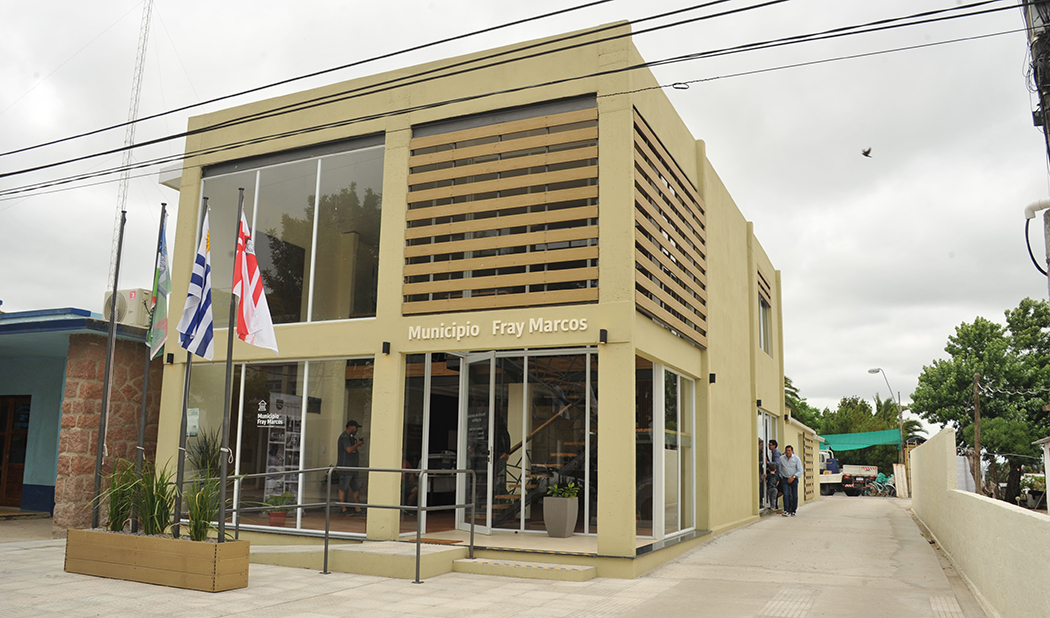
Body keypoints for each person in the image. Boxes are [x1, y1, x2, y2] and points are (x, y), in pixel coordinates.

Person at [337, 420, 365, 516]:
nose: (357, 430)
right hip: (346, 467)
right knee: (343, 487)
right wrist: (357, 445)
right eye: (356, 428)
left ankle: (357, 508)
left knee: (356, 488)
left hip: (353, 467)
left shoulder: (351, 437)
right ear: (351, 427)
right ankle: (343, 508)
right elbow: (349, 450)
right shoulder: (344, 437)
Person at [778, 445, 804, 517]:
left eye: (789, 450)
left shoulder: (796, 459)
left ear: (792, 451)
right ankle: (786, 510)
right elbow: (780, 468)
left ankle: (793, 510)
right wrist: (782, 476)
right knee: (786, 494)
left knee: (794, 495)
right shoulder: (781, 458)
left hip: (794, 478)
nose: (788, 452)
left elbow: (800, 470)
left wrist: (793, 477)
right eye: (787, 450)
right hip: (785, 478)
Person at [767, 439, 782, 511]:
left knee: (776, 490)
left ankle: (775, 505)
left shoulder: (776, 453)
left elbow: (777, 463)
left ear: (774, 446)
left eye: (770, 445)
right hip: (776, 473)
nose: (769, 446)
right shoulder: (773, 452)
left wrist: (768, 463)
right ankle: (774, 505)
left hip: (777, 474)